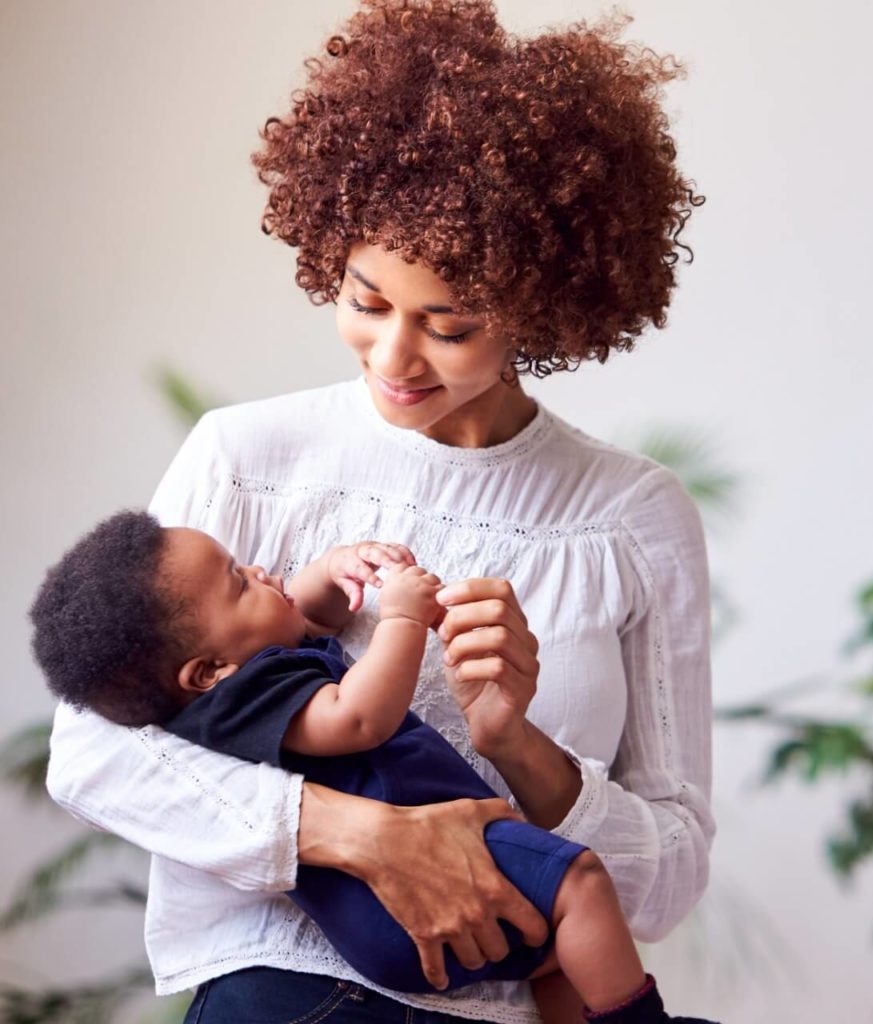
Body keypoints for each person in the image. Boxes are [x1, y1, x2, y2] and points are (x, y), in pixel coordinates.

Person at [43, 2, 714, 1022]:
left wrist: (520, 744)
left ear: (542, 301)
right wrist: (358, 835)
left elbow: (669, 880)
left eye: (449, 324)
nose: (395, 358)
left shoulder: (632, 517)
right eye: (365, 302)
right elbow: (94, 751)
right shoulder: (246, 459)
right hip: (288, 992)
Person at [31, 515, 715, 1024]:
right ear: (209, 672)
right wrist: (402, 618)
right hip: (392, 907)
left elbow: (300, 611)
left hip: (386, 926)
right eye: (240, 581)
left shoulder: (233, 684)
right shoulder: (252, 695)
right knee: (582, 881)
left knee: (550, 950)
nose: (264, 573)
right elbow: (358, 718)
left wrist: (334, 570)